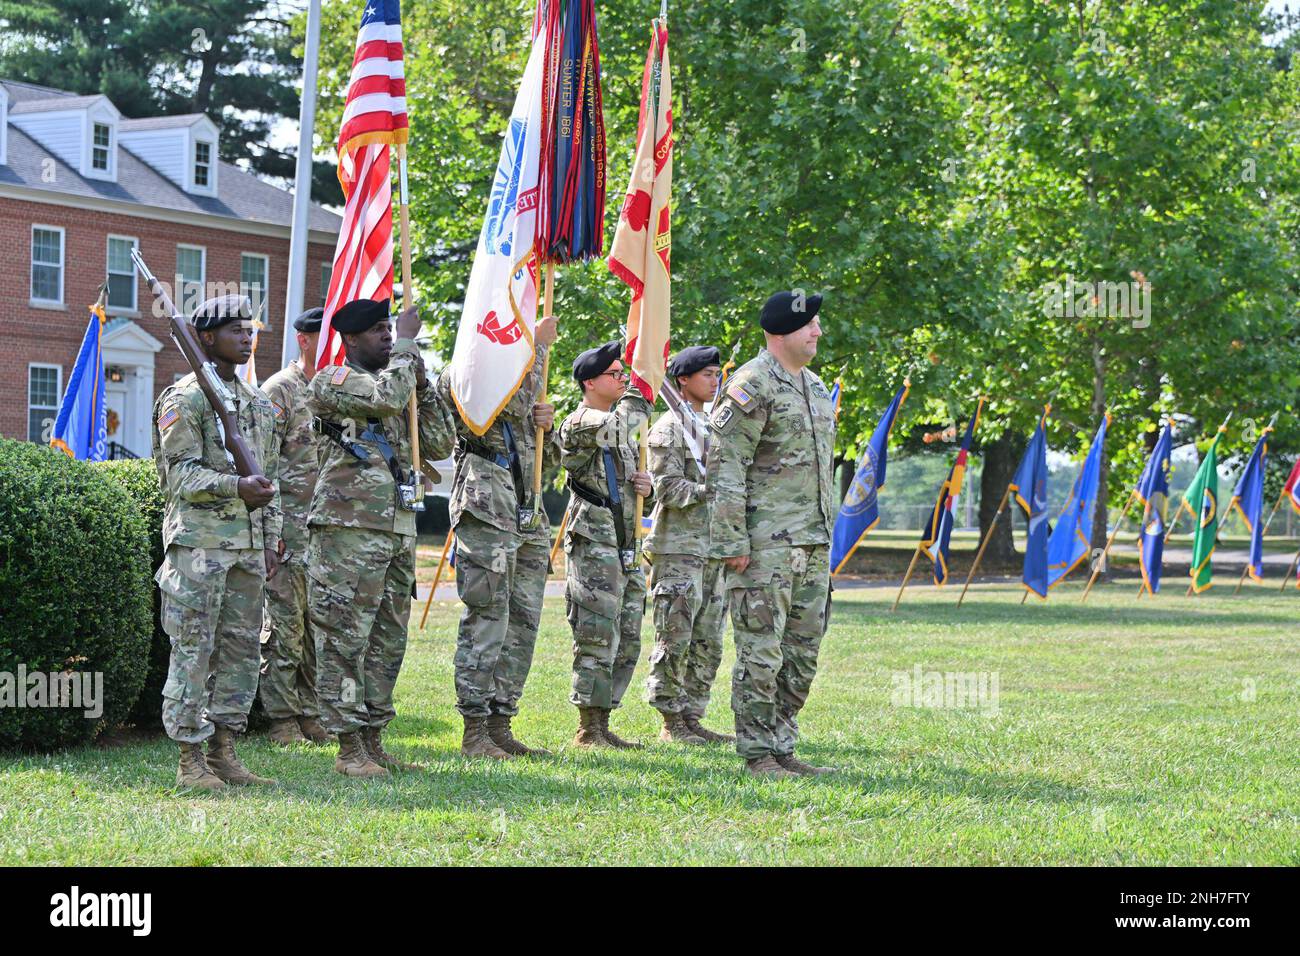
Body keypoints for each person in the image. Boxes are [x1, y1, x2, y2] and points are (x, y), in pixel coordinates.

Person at [306, 298, 455, 777]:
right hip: (347, 531)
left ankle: (373, 738)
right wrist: (410, 350)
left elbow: (440, 443)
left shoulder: (402, 381)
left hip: (396, 528)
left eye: (391, 329)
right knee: (345, 639)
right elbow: (383, 399)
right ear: (350, 340)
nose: (388, 336)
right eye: (377, 331)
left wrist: (425, 386)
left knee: (387, 641)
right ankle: (348, 746)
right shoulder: (333, 381)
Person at [152, 294, 282, 790]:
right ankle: (190, 761)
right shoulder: (185, 398)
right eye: (236, 331)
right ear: (206, 338)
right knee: (193, 650)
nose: (247, 339)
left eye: (251, 331)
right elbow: (179, 474)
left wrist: (271, 539)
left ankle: (224, 752)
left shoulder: (255, 403)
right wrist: (234, 487)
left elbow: (269, 478)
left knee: (242, 651)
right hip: (200, 547)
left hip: (248, 548)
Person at [707, 291, 838, 779]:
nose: (818, 332)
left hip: (813, 542)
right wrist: (732, 541)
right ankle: (757, 753)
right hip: (765, 547)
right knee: (760, 653)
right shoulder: (751, 385)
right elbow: (725, 467)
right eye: (810, 325)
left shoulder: (818, 388)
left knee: (802, 652)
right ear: (782, 330)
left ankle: (783, 747)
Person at [436, 314, 561, 759]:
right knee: (488, 615)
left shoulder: (526, 375)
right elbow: (483, 400)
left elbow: (547, 461)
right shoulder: (467, 369)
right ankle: (474, 730)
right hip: (487, 504)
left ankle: (500, 720)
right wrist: (539, 350)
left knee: (523, 620)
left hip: (528, 508)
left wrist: (546, 424)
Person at [560, 342, 653, 749]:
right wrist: (644, 384)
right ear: (590, 382)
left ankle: (605, 718)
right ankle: (588, 727)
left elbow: (624, 483)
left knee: (627, 633)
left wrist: (644, 489)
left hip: (625, 541)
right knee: (596, 631)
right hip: (595, 540)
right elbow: (619, 425)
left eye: (624, 373)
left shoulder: (621, 429)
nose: (623, 380)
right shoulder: (580, 421)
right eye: (615, 374)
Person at [643, 345, 734, 744]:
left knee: (708, 639)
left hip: (713, 547)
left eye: (717, 374)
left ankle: (693, 715)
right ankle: (670, 720)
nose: (716, 382)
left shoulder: (713, 426)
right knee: (675, 635)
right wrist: (710, 490)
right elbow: (666, 487)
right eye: (708, 375)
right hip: (679, 547)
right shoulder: (669, 428)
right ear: (683, 380)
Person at [258, 308, 332, 746]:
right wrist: (272, 530)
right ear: (303, 340)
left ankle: (311, 713)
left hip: (326, 532)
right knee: (285, 627)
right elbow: (263, 464)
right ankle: (281, 721)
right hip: (289, 530)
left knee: (317, 628)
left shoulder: (334, 391)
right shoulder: (279, 392)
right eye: (322, 337)